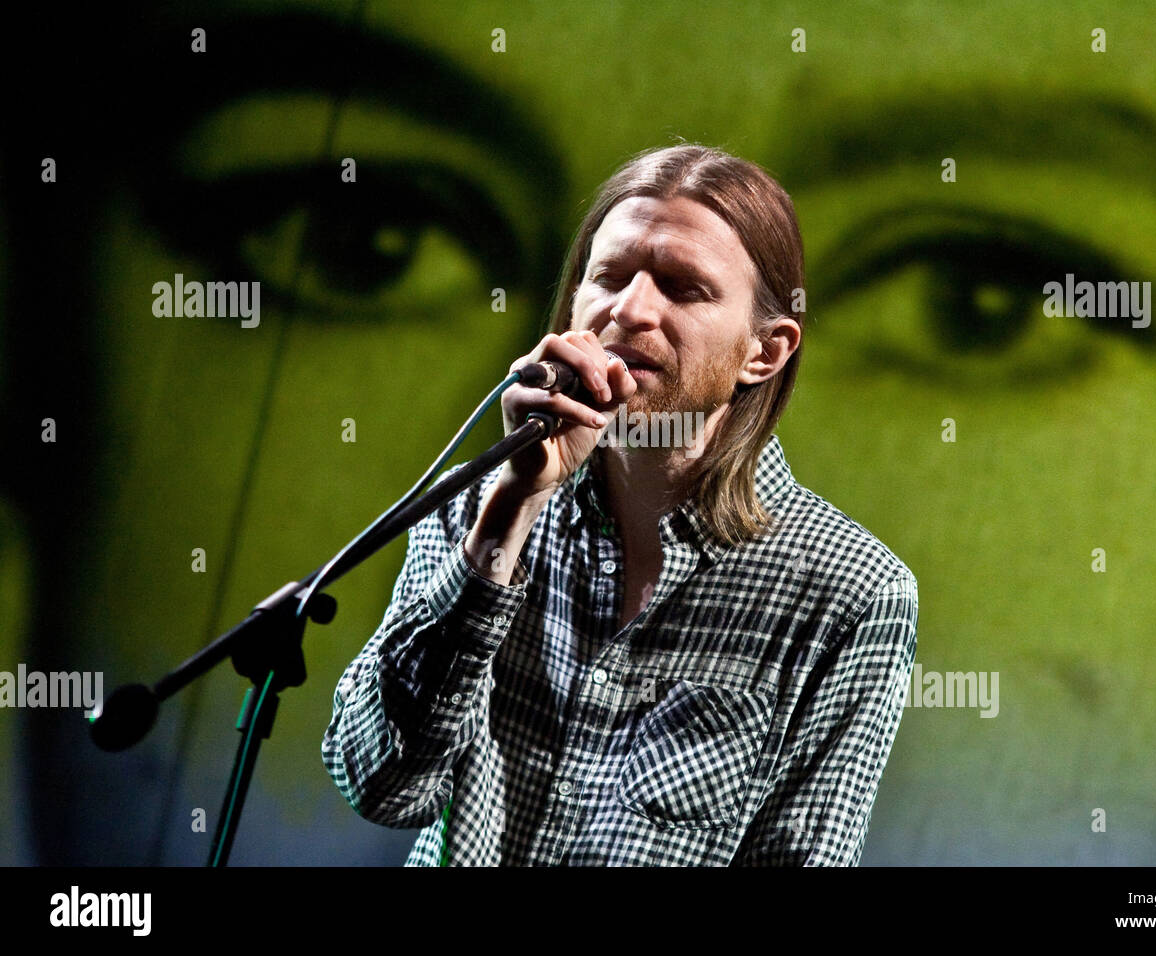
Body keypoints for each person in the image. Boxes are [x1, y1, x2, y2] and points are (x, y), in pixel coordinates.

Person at [321, 144, 918, 865]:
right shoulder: (476, 511)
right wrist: (509, 513)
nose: (629, 309)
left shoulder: (851, 591)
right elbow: (382, 785)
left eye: (682, 287)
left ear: (764, 351)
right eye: (608, 276)